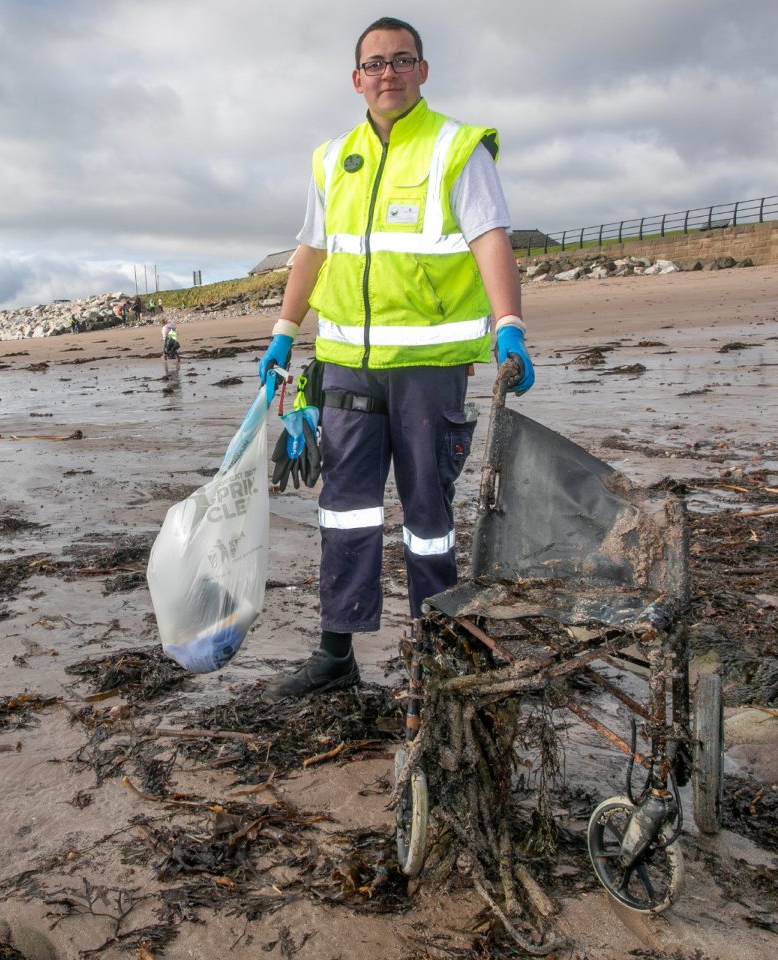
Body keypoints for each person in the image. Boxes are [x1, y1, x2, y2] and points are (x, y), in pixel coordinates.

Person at [258, 16, 534, 698]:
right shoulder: (333, 158)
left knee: (428, 514)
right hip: (347, 365)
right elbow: (312, 253)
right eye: (375, 63)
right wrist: (285, 330)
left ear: (423, 70)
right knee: (344, 509)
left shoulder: (456, 148)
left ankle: (436, 651)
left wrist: (509, 324)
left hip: (429, 368)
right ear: (356, 79)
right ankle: (335, 654)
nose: (388, 73)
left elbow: (491, 239)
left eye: (401, 60)